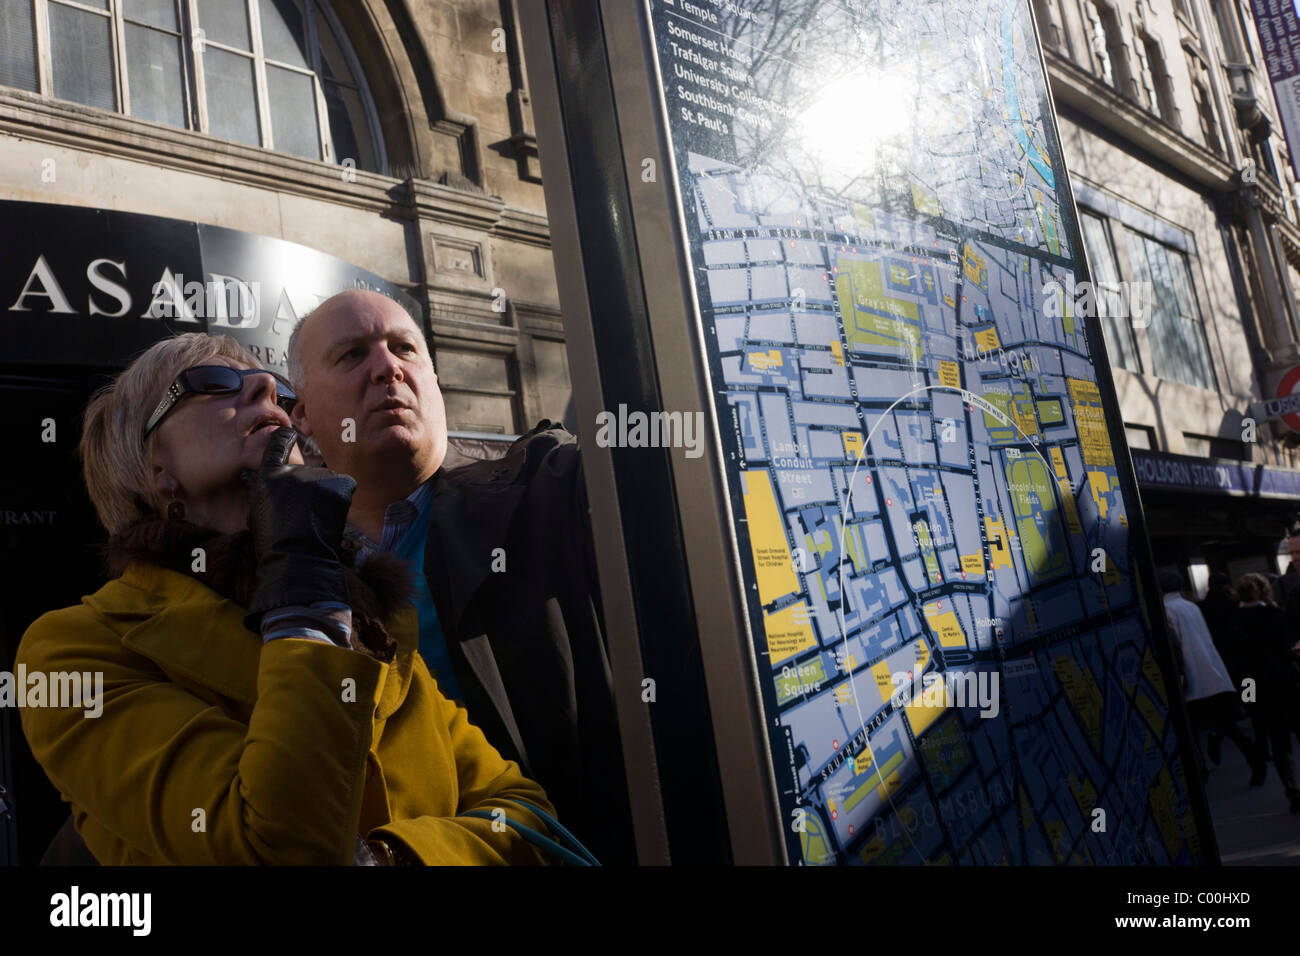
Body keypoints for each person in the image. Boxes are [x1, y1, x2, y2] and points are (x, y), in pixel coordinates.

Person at [18, 333, 557, 864]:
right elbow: (276, 846)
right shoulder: (70, 652)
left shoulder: (371, 627)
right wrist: (302, 584)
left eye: (276, 386)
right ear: (154, 469)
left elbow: (528, 816)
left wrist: (394, 858)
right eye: (212, 382)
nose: (264, 388)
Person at [287, 290, 636, 865]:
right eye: (352, 355)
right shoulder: (289, 571)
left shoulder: (549, 489)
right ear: (300, 415)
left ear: (434, 380)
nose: (388, 368)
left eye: (405, 348)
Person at [1160, 569, 1264, 786]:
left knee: (1190, 731)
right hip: (1212, 673)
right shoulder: (1191, 607)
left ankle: (1201, 771)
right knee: (1227, 725)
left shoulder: (1167, 611)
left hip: (1190, 680)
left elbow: (1176, 647)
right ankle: (1254, 756)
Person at [1231, 573, 1300, 813]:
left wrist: (1248, 701)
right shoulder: (1274, 615)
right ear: (1264, 591)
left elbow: (1236, 663)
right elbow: (1287, 648)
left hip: (1253, 684)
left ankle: (1292, 791)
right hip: (1283, 681)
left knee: (1278, 742)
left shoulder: (1235, 621)